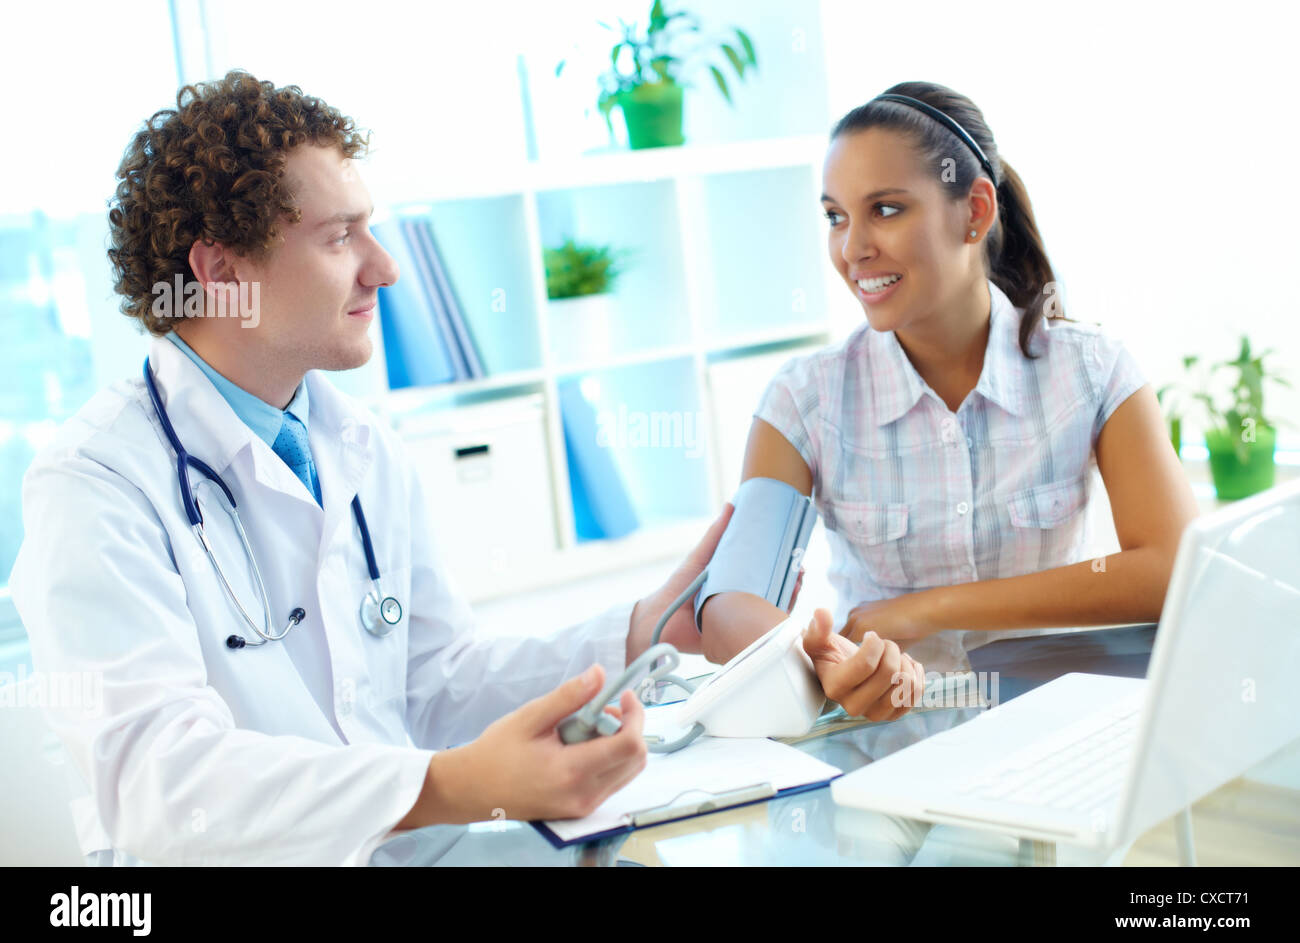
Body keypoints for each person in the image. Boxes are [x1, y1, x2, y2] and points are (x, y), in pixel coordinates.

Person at [9, 71, 920, 866]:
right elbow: (158, 781)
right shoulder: (95, 484)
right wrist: (446, 786)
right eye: (340, 239)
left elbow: (435, 681)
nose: (387, 268)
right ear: (219, 271)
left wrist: (644, 632)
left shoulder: (356, 442)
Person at [699, 81, 1198, 703]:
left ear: (975, 211)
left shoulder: (1092, 372)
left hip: (1056, 729)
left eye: (885, 209)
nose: (852, 248)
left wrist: (924, 610)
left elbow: (1175, 565)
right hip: (885, 744)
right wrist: (819, 659)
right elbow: (729, 606)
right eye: (835, 217)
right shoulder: (805, 402)